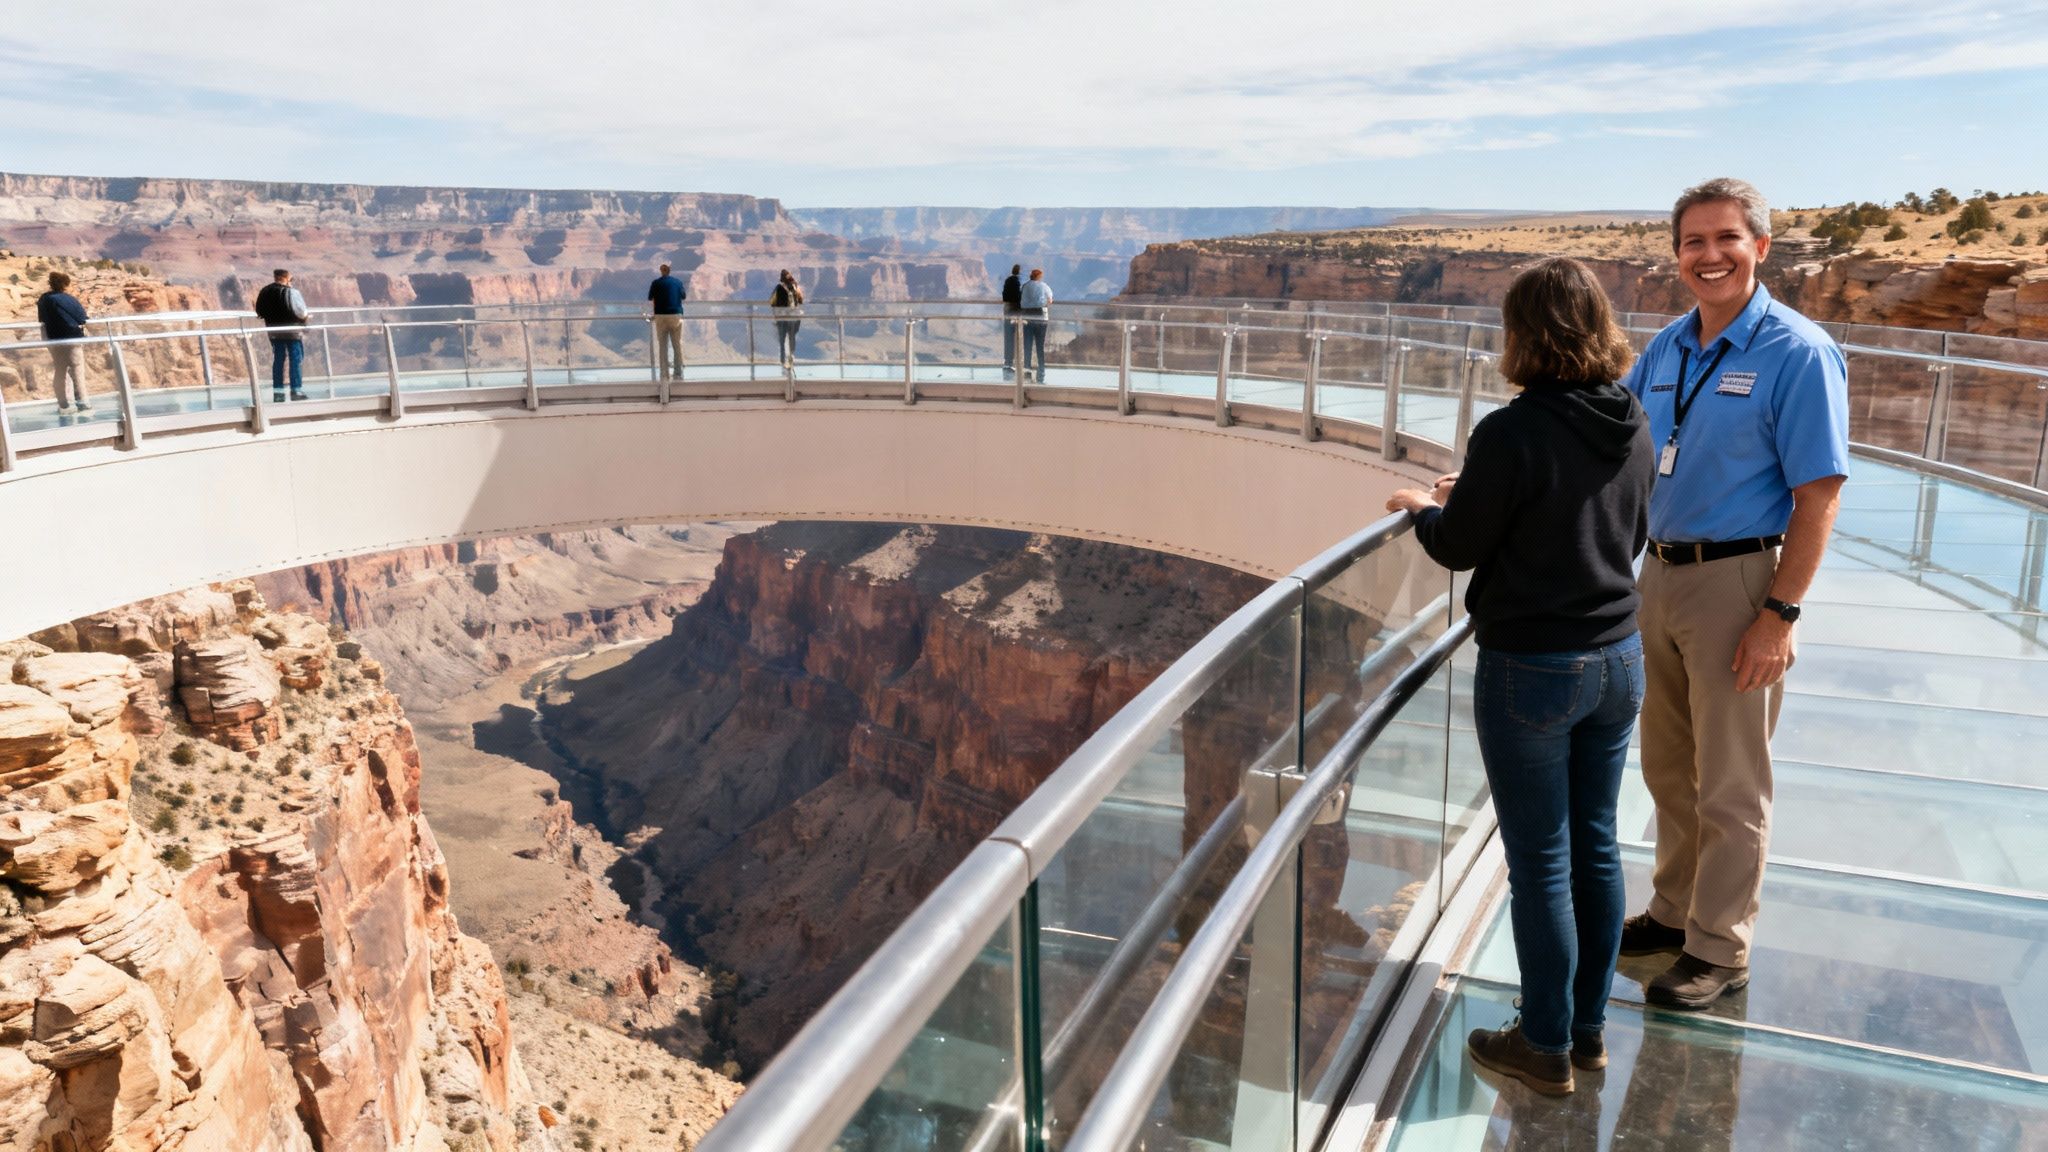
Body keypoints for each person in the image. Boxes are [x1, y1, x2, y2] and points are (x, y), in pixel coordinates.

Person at [1386, 257, 1655, 1096]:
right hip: (1618, 659)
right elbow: (1613, 520)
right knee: (1597, 848)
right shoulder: (1632, 416)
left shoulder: (1510, 432)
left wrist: (1421, 509)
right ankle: (1585, 1033)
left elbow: (1460, 547)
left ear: (1523, 335)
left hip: (1534, 669)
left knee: (1540, 862)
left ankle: (1540, 1047)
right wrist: (1489, 496)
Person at [1619, 177, 1849, 1010]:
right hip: (1660, 573)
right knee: (1668, 767)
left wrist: (1778, 615)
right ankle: (1674, 914)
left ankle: (1721, 947)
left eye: (1725, 239)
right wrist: (1492, 477)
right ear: (1677, 255)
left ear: (1760, 247)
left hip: (1739, 578)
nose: (1708, 256)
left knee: (1731, 781)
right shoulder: (1669, 346)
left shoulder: (1796, 351)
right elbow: (1614, 440)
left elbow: (1818, 495)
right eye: (1693, 242)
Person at [36, 271, 91, 413]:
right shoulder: (67, 299)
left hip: (52, 339)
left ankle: (63, 404)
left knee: (60, 370)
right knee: (77, 370)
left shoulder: (43, 299)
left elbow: (41, 319)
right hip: (71, 338)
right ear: (65, 284)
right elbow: (82, 318)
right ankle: (83, 403)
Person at [253, 268, 310, 401]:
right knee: (295, 358)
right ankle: (296, 390)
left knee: (278, 359)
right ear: (286, 278)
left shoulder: (265, 291)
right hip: (292, 332)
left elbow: (260, 312)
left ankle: (278, 392)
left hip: (274, 331)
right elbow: (301, 312)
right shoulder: (292, 292)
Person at [648, 262, 688, 380]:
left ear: (661, 271)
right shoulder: (678, 282)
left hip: (660, 316)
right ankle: (678, 372)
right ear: (669, 271)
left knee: (662, 346)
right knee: (677, 344)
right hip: (675, 315)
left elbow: (650, 297)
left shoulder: (655, 283)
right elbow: (683, 296)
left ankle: (664, 374)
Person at [1017, 268, 1052, 380]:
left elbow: (1020, 300)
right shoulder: (1044, 286)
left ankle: (1027, 371)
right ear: (1039, 277)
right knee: (1040, 346)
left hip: (1027, 318)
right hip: (1041, 319)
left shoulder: (1025, 286)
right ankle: (1041, 373)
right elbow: (1050, 300)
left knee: (1027, 346)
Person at [770, 269, 804, 370]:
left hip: (783, 318)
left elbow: (772, 302)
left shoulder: (779, 287)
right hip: (792, 317)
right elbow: (801, 299)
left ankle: (784, 361)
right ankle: (790, 359)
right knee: (790, 338)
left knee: (783, 339)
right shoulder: (794, 286)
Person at [1001, 262, 1024, 377]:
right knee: (1017, 337)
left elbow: (1004, 295)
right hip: (1014, 311)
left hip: (1007, 309)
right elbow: (1017, 297)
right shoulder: (1017, 282)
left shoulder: (1007, 280)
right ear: (1019, 272)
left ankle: (1007, 362)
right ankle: (1014, 363)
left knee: (1008, 337)